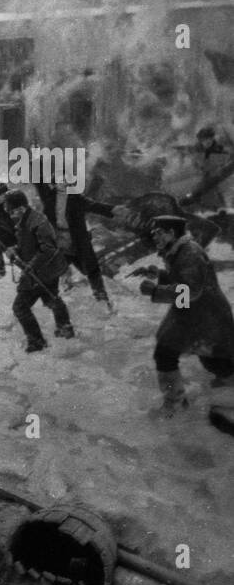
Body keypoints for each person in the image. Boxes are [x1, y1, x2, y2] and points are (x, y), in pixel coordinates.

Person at [136, 215, 234, 415]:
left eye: (159, 233)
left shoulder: (189, 253)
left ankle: (175, 403)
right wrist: (159, 275)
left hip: (203, 317)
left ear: (172, 233)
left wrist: (155, 291)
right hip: (197, 315)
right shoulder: (180, 250)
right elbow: (182, 279)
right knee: (212, 357)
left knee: (167, 354)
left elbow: (189, 291)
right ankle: (223, 383)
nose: (155, 237)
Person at [34, 181, 128, 304]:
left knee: (93, 272)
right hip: (59, 243)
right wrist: (33, 163)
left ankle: (103, 302)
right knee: (54, 274)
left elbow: (94, 206)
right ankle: (57, 302)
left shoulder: (76, 198)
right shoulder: (48, 196)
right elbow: (39, 182)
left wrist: (114, 209)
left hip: (78, 242)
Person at [3, 190, 74, 353]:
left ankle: (37, 342)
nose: (10, 215)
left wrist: (30, 267)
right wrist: (14, 250)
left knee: (20, 307)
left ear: (20, 208)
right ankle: (65, 329)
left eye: (11, 211)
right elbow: (28, 246)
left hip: (44, 270)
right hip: (41, 270)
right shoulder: (26, 220)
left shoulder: (38, 222)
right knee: (51, 299)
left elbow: (48, 249)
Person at [183, 125, 234, 209]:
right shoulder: (197, 150)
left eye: (210, 138)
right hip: (204, 176)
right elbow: (197, 164)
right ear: (201, 140)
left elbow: (226, 156)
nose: (208, 141)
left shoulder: (219, 148)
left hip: (218, 176)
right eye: (205, 139)